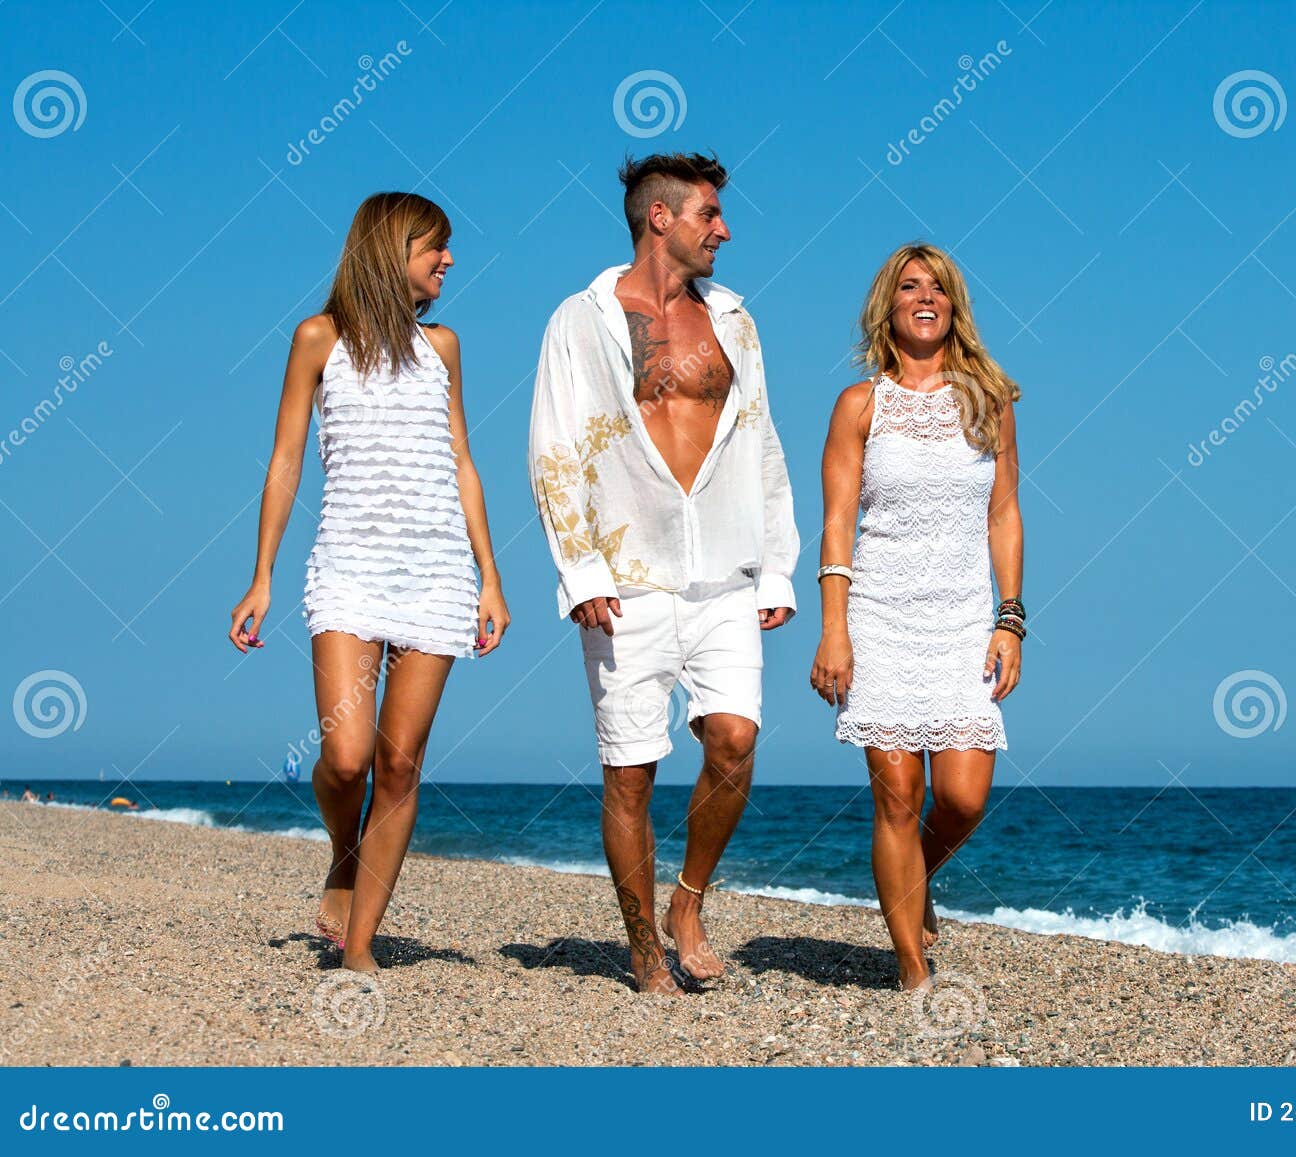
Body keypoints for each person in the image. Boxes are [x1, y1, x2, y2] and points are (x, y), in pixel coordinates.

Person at [530, 152, 799, 995]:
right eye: (710, 213)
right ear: (661, 218)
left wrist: (779, 570)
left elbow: (762, 442)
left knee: (735, 740)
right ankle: (643, 948)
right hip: (627, 576)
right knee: (630, 772)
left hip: (724, 572)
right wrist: (579, 568)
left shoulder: (737, 324)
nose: (724, 229)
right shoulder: (582, 320)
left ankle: (689, 900)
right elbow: (554, 447)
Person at [229, 192, 510, 973]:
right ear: (393, 250)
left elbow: (461, 462)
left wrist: (490, 575)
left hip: (436, 573)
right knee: (347, 758)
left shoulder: (444, 347)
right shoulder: (318, 339)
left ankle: (360, 948)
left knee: (399, 763)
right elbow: (286, 461)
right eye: (436, 247)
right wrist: (262, 576)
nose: (448, 260)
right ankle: (343, 856)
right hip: (348, 567)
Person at [811, 243, 1024, 990]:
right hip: (878, 616)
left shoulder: (988, 398)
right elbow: (838, 523)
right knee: (897, 797)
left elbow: (1004, 514)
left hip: (964, 619)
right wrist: (833, 627)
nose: (924, 296)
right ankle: (911, 969)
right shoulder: (859, 406)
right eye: (909, 286)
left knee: (962, 798)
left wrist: (1011, 618)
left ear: (954, 305)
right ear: (888, 305)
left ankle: (912, 880)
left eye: (937, 286)